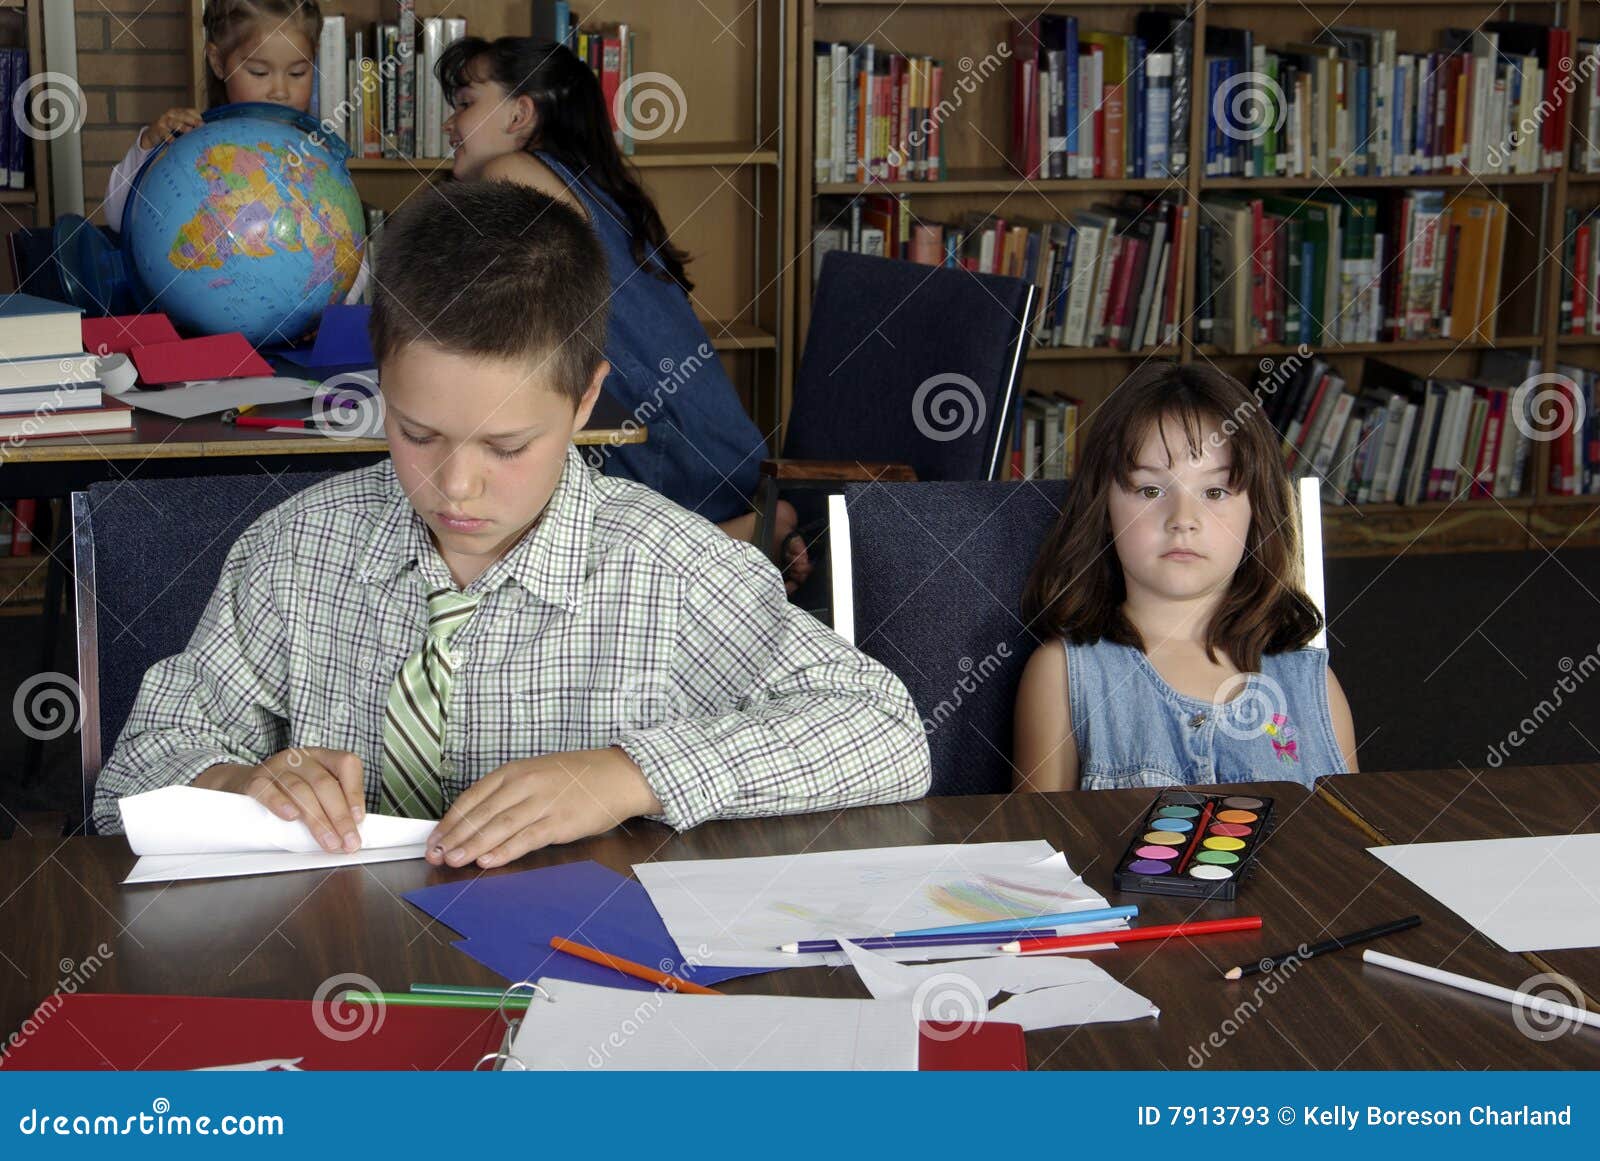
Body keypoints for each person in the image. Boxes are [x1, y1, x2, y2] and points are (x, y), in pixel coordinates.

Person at [91, 180, 931, 867]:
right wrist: (236, 783)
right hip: (338, 963)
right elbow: (134, 769)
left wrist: (627, 774)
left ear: (587, 398)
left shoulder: (670, 569)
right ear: (380, 381)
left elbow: (887, 733)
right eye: (418, 433)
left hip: (578, 970)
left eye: (506, 445)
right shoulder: (293, 551)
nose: (456, 484)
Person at [434, 35, 811, 589]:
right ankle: (742, 535)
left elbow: (488, 327)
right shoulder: (589, 185)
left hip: (663, 448)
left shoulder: (512, 173)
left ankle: (737, 539)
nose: (450, 124)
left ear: (520, 114)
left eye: (466, 103)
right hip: (712, 445)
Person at [1013, 362, 1359, 791]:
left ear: (1257, 513)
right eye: (1150, 490)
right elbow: (1038, 832)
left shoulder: (1315, 686)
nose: (1182, 519)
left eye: (1214, 492)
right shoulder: (1063, 676)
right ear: (1103, 509)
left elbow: (1346, 831)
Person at [100, 1, 367, 303]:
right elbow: (117, 216)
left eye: (298, 72)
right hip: (193, 325)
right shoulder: (193, 147)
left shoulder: (316, 161)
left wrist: (328, 306)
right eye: (259, 72)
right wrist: (148, 146)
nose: (280, 91)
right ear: (218, 62)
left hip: (300, 329)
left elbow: (352, 259)